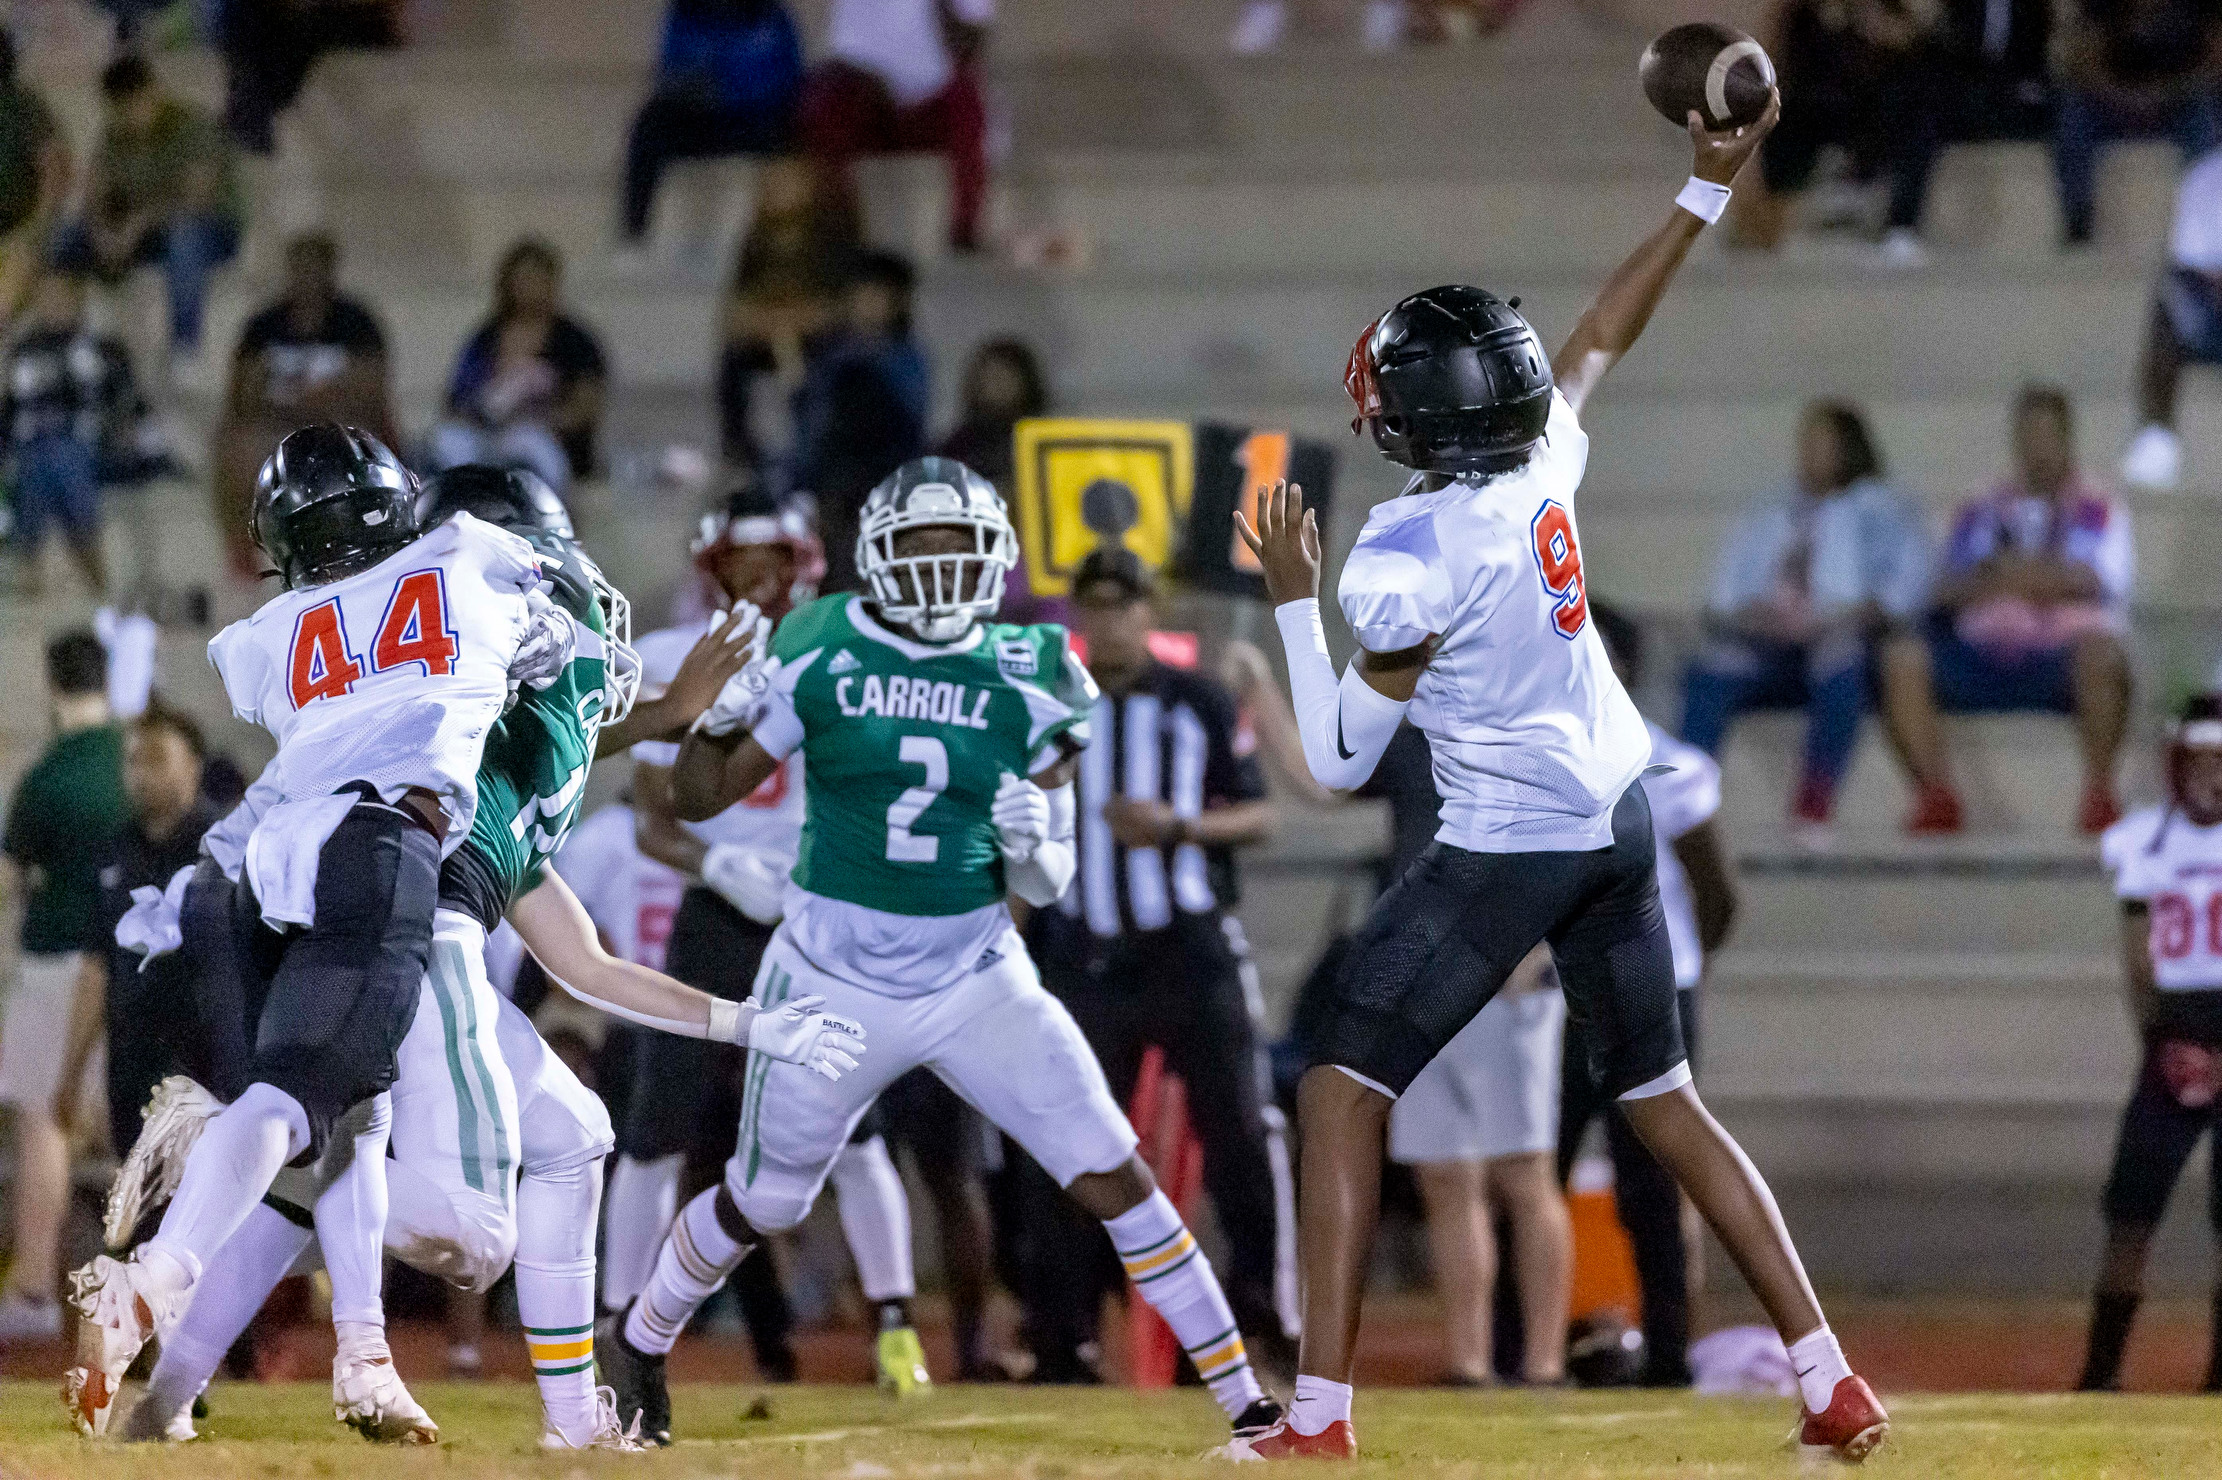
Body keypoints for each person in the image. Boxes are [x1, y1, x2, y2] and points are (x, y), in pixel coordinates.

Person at [1228, 91, 1887, 1464]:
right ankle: (1828, 1381)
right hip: (1617, 821)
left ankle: (1320, 1421)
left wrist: (1290, 603)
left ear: (1412, 417)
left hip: (1511, 841)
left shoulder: (1402, 554)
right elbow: (1597, 337)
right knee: (1662, 1101)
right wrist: (1701, 190)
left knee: (1337, 1090)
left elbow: (1344, 762)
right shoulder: (1540, 466)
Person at [113, 461, 865, 1449]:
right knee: (461, 1234)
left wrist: (753, 1022)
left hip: (390, 931)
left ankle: (185, 1381)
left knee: (571, 1135)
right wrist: (673, 708)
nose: (562, 599)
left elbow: (591, 968)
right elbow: (509, 729)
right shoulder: (457, 722)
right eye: (542, 574)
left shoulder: (512, 771)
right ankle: (220, 1204)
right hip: (403, 937)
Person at [597, 456, 1285, 1449]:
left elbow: (1047, 879)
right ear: (873, 560)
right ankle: (642, 1334)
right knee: (765, 1196)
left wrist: (1033, 840)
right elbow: (704, 794)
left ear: (993, 559)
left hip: (973, 972)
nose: (935, 570)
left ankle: (1249, 1408)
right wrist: (716, 718)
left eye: (955, 549)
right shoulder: (823, 641)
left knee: (1110, 1170)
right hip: (831, 975)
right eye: (915, 549)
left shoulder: (1036, 665)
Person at [60, 425, 550, 1437]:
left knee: (350, 1116)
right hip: (376, 845)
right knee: (298, 1101)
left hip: (271, 858)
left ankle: (361, 1356)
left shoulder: (273, 633)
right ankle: (151, 1280)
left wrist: (197, 876)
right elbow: (557, 626)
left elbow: (300, 760)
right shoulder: (468, 558)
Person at [616, 481, 935, 1396]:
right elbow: (651, 822)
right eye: (741, 570)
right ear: (713, 572)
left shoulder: (845, 650)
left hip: (818, 909)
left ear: (805, 567)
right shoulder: (674, 655)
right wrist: (717, 868)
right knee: (657, 1127)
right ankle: (617, 1320)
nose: (757, 587)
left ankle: (895, 1324)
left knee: (856, 1121)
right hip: (718, 913)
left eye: (772, 569)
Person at [1017, 546, 1295, 1383]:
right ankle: (1064, 1336)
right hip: (1081, 952)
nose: (1110, 623)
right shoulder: (1049, 704)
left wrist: (1175, 826)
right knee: (1063, 1146)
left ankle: (1259, 1322)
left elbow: (1259, 815)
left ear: (1151, 611)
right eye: (1094, 608)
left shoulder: (1198, 700)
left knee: (1240, 1135)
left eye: (1125, 605)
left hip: (1185, 947)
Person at [1565, 604, 1738, 1389]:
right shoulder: (1540, 759)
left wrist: (1675, 963)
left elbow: (1716, 892)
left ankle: (1670, 1354)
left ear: (1624, 666)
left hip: (1648, 997)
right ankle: (1518, 1348)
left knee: (1651, 1181)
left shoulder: (1668, 766)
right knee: (1538, 1170)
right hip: (1565, 997)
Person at [1878, 385, 2133, 836]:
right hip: (1980, 653)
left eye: (2048, 434)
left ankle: (2099, 796)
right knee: (1901, 657)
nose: (2038, 446)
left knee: (2105, 657)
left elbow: (2095, 583)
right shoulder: (1979, 506)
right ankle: (1936, 795)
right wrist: (2034, 579)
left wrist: (2002, 576)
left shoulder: (2098, 507)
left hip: (2059, 657)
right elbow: (1944, 589)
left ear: (2067, 437)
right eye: (2028, 434)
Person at [1680, 400, 1931, 833]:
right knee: (1706, 677)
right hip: (1765, 645)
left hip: (1838, 639)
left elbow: (1905, 586)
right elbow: (1722, 599)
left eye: (1820, 440)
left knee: (1843, 668)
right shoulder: (1770, 510)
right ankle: (1683, 802)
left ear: (1848, 447)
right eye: (1805, 441)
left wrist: (1843, 620)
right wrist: (1757, 620)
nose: (1808, 451)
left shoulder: (1882, 509)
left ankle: (1814, 800)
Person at [2080, 696, 2222, 1393]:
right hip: (2177, 1030)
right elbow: (2138, 959)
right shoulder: (2147, 839)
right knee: (2132, 1213)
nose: (2217, 777)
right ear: (2179, 762)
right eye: (2206, 761)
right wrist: (2160, 1036)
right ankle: (2100, 1373)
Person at [0, 630, 128, 1345]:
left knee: (43, 1123)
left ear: (52, 685)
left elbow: (9, 876)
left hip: (56, 962)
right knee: (147, 1122)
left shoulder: (47, 778)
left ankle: (32, 1293)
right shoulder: (134, 760)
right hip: (136, 962)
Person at [73, 702, 219, 1185]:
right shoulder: (114, 850)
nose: (140, 773)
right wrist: (73, 1075)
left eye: (156, 758)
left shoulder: (224, 850)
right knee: (138, 1224)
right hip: (131, 1073)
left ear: (193, 764)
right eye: (133, 760)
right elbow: (98, 967)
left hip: (208, 1077)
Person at [211, 233, 396, 580]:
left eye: (316, 269)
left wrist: (319, 400)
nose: (308, 278)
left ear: (331, 272)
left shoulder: (356, 323)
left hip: (341, 426)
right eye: (301, 269)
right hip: (279, 423)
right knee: (233, 443)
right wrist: (296, 401)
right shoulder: (264, 326)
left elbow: (373, 391)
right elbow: (241, 394)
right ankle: (243, 545)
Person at [50, 54, 241, 365]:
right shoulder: (115, 135)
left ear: (152, 91)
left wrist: (138, 225)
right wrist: (102, 233)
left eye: (136, 102)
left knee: (185, 240)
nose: (132, 114)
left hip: (208, 231)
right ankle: (65, 336)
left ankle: (185, 350)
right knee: (67, 237)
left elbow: (196, 200)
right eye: (122, 106)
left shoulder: (191, 126)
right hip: (140, 236)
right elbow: (96, 193)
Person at [1736, 0, 1948, 268]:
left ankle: (1883, 209)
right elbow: (1784, 64)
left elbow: (1912, 52)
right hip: (1815, 105)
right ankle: (1769, 220)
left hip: (1873, 108)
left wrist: (1882, 33)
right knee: (1786, 122)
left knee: (1911, 115)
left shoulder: (1886, 12)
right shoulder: (1805, 14)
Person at [1, 268, 150, 599]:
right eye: (46, 299)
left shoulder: (101, 348)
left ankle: (42, 560)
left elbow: (127, 403)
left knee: (58, 454)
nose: (53, 306)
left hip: (86, 449)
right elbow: (12, 411)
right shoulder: (23, 350)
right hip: (33, 450)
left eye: (61, 298)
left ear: (78, 302)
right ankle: (72, 564)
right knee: (42, 458)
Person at [800, 0, 991, 252]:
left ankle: (964, 230)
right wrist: (876, 85)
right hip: (870, 96)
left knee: (968, 106)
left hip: (934, 98)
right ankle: (840, 236)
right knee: (827, 107)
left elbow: (971, 42)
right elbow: (845, 52)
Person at [619, 0, 806, 258]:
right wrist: (704, 89)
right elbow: (671, 71)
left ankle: (776, 247)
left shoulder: (771, 18)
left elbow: (785, 79)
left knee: (790, 144)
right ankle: (633, 236)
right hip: (700, 120)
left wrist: (727, 90)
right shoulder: (684, 13)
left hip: (755, 122)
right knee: (649, 128)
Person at [792, 249, 928, 591]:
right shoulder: (828, 356)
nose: (867, 306)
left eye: (878, 298)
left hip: (882, 486)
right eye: (861, 296)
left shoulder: (905, 359)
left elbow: (907, 422)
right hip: (831, 486)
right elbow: (811, 425)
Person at [428, 239, 608, 494]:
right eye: (521, 279)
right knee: (447, 443)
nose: (529, 288)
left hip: (545, 439)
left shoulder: (575, 341)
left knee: (526, 446)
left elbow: (585, 409)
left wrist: (541, 420)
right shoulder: (486, 337)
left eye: (536, 279)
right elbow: (456, 398)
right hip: (485, 435)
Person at [716, 157, 861, 470]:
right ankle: (739, 446)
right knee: (734, 359)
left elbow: (841, 306)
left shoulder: (831, 239)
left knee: (823, 366)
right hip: (767, 334)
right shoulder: (755, 243)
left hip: (819, 338)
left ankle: (811, 447)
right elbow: (737, 304)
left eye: (786, 181)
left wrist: (794, 322)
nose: (775, 190)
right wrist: (765, 323)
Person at [2050, 0, 2222, 248]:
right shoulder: (2103, 8)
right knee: (2074, 113)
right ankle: (2078, 217)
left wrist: (2163, 95)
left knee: (2203, 115)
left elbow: (2214, 61)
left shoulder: (2194, 9)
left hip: (2174, 102)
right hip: (2113, 101)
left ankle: (2204, 220)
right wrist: (2122, 97)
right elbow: (2081, 60)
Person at [2123, 147, 2222, 491]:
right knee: (2167, 307)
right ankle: (2157, 438)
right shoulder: (2206, 177)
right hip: (2212, 314)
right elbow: (2188, 260)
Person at [0, 29, 72, 334]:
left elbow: (54, 169)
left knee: (18, 258)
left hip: (21, 225)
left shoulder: (24, 107)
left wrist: (37, 226)